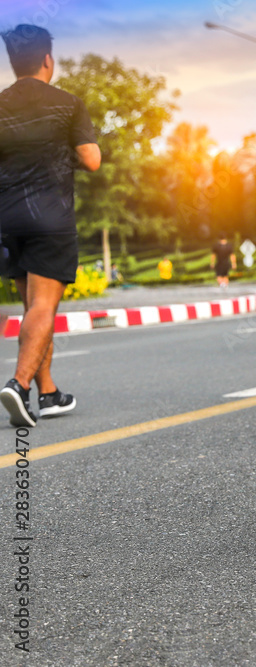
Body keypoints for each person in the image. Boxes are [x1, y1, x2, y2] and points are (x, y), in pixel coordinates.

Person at [0, 25, 100, 427]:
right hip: (51, 217)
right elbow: (91, 158)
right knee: (45, 306)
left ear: (12, 61)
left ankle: (49, 392)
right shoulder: (68, 104)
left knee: (32, 308)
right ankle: (20, 385)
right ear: (47, 60)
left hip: (8, 218)